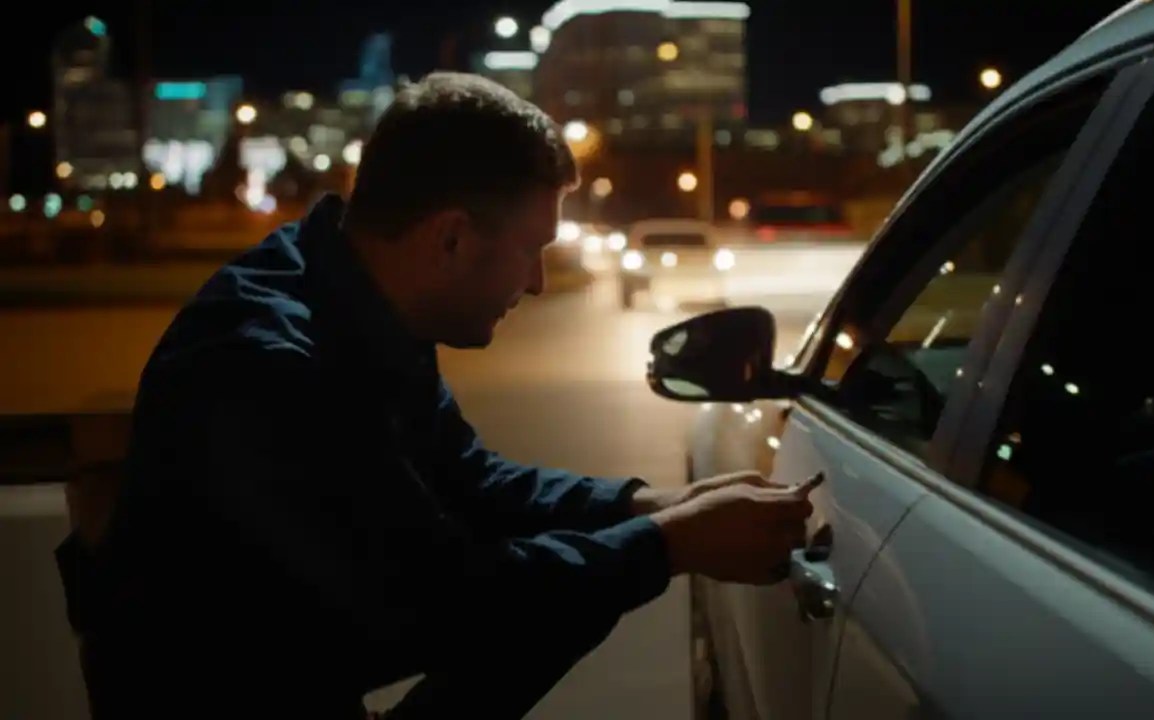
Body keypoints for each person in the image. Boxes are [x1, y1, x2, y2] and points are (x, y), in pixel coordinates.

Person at [65, 72, 817, 719]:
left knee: (579, 584)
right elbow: (440, 604)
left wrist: (647, 508)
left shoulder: (347, 288)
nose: (536, 284)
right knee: (562, 593)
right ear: (451, 239)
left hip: (304, 677)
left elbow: (473, 480)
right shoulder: (266, 368)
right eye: (532, 250)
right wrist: (673, 543)